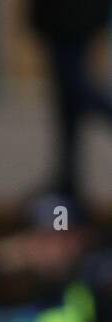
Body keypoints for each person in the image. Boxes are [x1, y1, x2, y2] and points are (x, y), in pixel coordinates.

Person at [28, 0, 112, 202]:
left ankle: (68, 181)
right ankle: (68, 181)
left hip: (69, 16)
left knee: (73, 88)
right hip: (70, 17)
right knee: (67, 103)